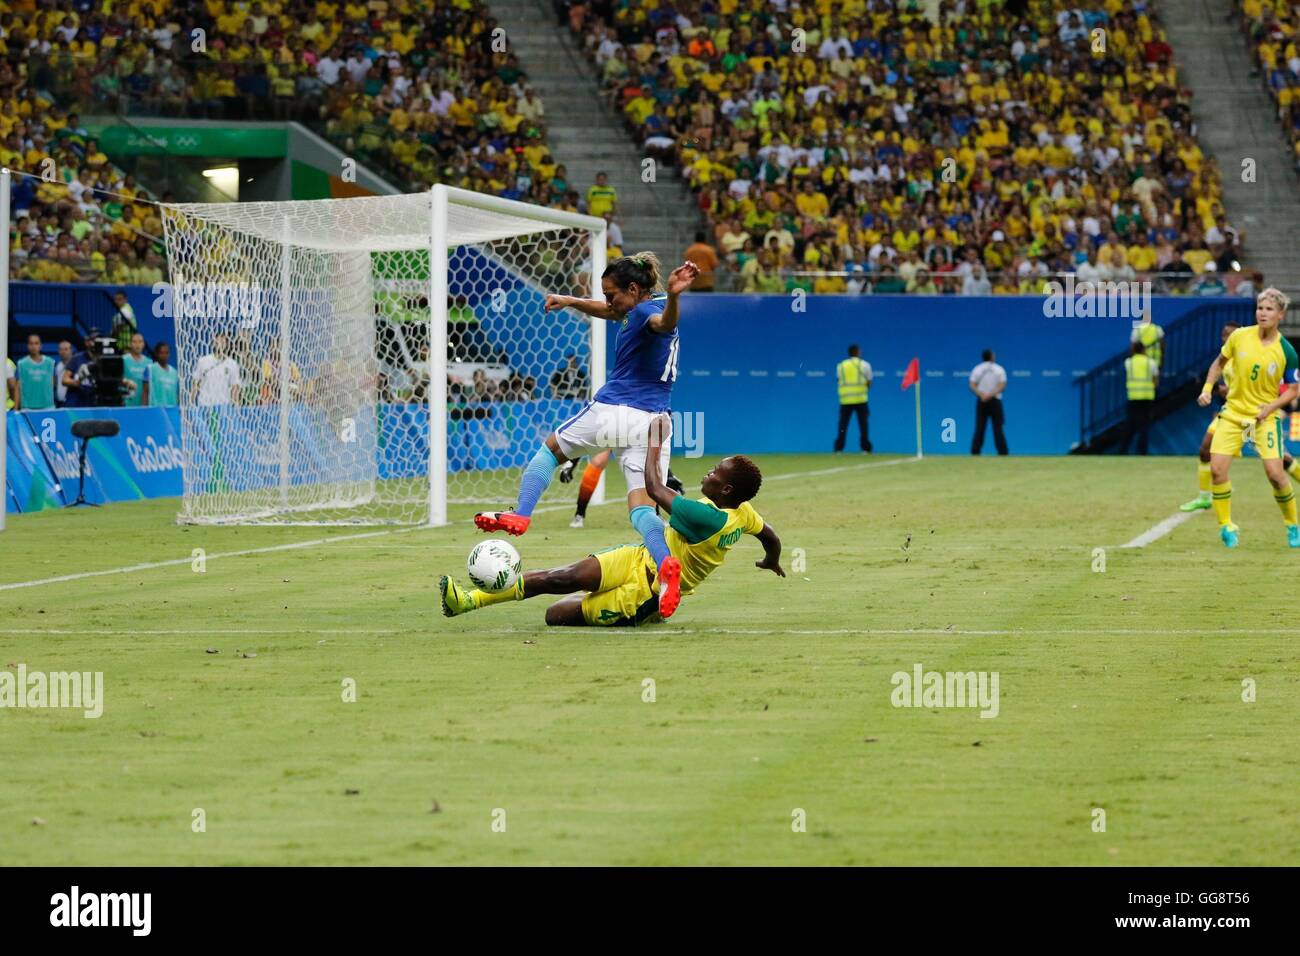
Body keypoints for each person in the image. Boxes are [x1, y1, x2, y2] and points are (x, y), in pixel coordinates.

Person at [474, 253, 699, 619]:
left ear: (632, 288)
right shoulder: (638, 306)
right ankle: (666, 567)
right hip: (657, 421)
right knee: (641, 507)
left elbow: (663, 321)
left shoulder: (649, 313)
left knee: (550, 451)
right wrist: (571, 300)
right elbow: (614, 312)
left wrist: (676, 297)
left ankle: (522, 513)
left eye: (612, 294)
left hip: (615, 411)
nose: (608, 301)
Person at [443, 415, 783, 625]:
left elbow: (652, 486)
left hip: (643, 592)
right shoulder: (742, 512)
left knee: (555, 615)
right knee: (564, 577)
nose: (707, 473)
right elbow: (769, 536)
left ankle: (651, 609)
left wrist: (654, 440)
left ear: (724, 488)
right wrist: (771, 559)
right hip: (639, 557)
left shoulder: (705, 517)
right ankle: (468, 601)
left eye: (714, 472)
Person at [1196, 288, 1300, 548]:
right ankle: (1226, 526)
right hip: (1233, 415)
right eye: (1260, 308)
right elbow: (1219, 363)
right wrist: (1207, 389)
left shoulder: (1286, 351)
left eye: (1268, 309)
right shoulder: (1240, 336)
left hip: (1265, 419)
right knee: (1217, 470)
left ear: (1280, 314)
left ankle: (1292, 525)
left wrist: (1271, 406)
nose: (1262, 313)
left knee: (1275, 474)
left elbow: (1295, 390)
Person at [1181, 322, 1247, 510]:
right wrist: (1211, 391)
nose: (1227, 338)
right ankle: (1204, 497)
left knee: (1276, 461)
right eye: (1224, 335)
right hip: (1230, 411)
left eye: (1231, 334)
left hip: (1252, 414)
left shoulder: (1248, 358)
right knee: (1205, 450)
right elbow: (1222, 380)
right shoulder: (1224, 360)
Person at [559, 450, 685, 527]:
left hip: (630, 429)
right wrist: (572, 462)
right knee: (598, 462)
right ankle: (579, 514)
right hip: (616, 426)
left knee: (645, 463)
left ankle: (655, 513)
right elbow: (588, 434)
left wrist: (668, 474)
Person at [833, 344, 872, 453]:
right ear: (858, 352)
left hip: (845, 400)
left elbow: (838, 380)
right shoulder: (865, 365)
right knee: (863, 425)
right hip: (861, 399)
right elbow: (869, 381)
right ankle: (865, 449)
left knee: (842, 425)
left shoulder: (841, 366)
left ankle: (838, 448)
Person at [1120, 341, 1158, 455]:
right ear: (1143, 350)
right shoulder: (1151, 362)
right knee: (1144, 426)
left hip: (1133, 397)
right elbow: (1156, 381)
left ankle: (1123, 450)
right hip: (1147, 397)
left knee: (1129, 425)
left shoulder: (1128, 362)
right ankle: (1142, 452)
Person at [969, 349, 1009, 455]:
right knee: (998, 427)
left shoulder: (977, 369)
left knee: (980, 427)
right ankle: (1003, 452)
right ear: (991, 356)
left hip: (982, 401)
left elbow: (972, 384)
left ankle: (975, 452)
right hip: (995, 401)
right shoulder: (999, 369)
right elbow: (1002, 384)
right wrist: (990, 394)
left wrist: (982, 395)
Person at [192, 332, 241, 406]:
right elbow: (196, 383)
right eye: (218, 341)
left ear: (227, 345)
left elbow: (235, 387)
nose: (220, 344)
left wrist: (236, 407)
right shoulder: (203, 361)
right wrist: (191, 402)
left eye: (223, 342)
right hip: (205, 404)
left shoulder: (232, 364)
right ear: (213, 343)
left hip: (224, 405)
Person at [15, 334, 56, 410]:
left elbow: (53, 383)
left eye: (36, 343)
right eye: (31, 343)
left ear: (41, 346)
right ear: (27, 346)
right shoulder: (21, 364)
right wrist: (16, 409)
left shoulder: (50, 363)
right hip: (27, 408)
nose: (33, 346)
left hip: (48, 407)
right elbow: (18, 387)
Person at [122, 332, 149, 407]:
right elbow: (117, 379)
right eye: (134, 342)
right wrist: (126, 381)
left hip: (143, 404)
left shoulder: (149, 363)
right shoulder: (123, 360)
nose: (137, 345)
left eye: (140, 342)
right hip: (126, 403)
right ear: (130, 344)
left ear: (143, 344)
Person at [148, 342, 180, 407]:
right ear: (157, 354)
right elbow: (145, 391)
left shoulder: (174, 372)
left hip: (172, 409)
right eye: (161, 353)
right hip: (156, 409)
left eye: (167, 353)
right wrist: (145, 410)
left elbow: (175, 393)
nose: (164, 355)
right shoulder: (150, 368)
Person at [53, 339, 74, 407]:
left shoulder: (76, 365)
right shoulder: (58, 366)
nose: (63, 352)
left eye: (66, 349)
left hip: (72, 403)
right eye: (61, 349)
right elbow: (55, 383)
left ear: (71, 350)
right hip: (59, 403)